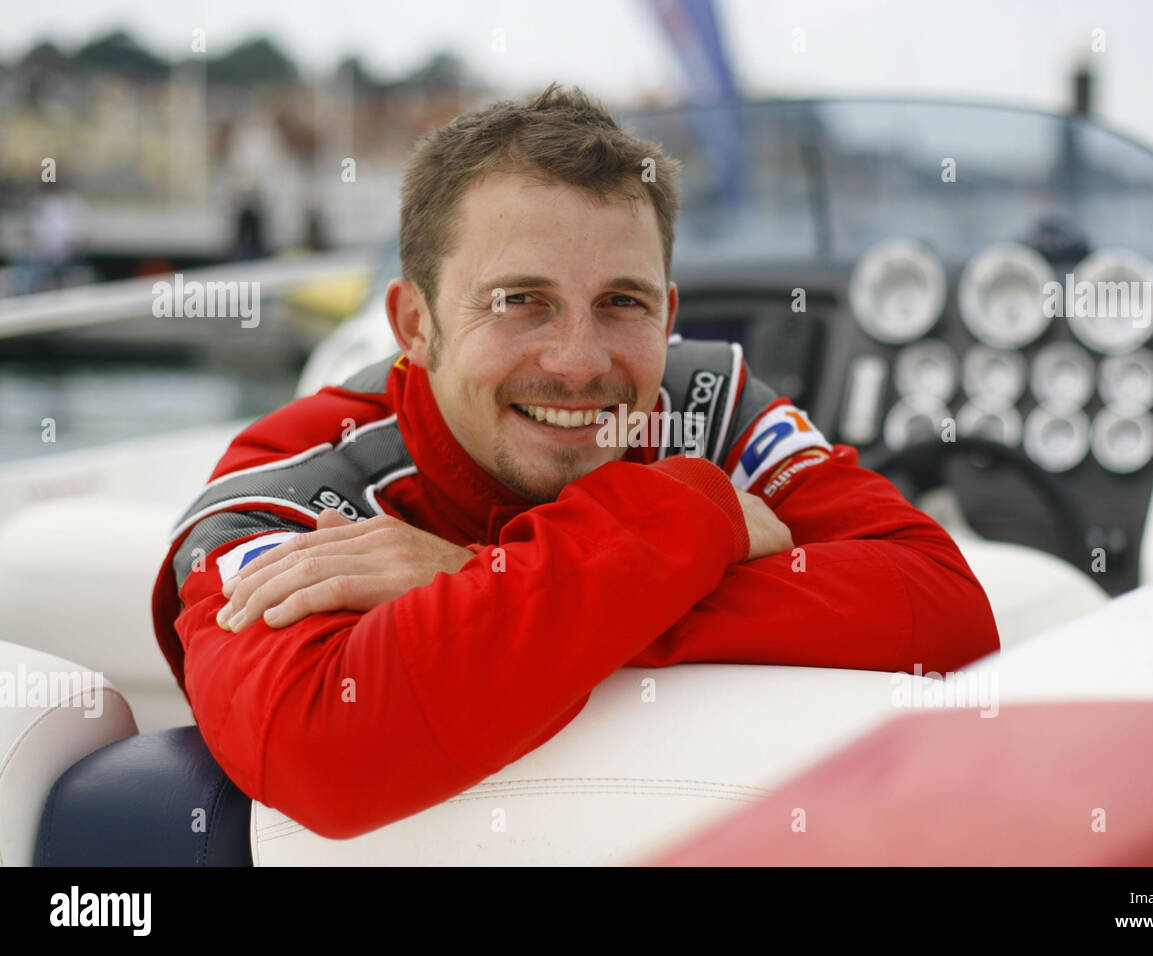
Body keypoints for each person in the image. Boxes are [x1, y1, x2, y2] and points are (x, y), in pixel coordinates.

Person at [150, 84, 999, 840]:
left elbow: (944, 612)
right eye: (521, 302)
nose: (577, 362)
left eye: (621, 304)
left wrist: (484, 575)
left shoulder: (711, 404)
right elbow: (320, 751)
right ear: (414, 324)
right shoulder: (286, 483)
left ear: (667, 314)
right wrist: (691, 520)